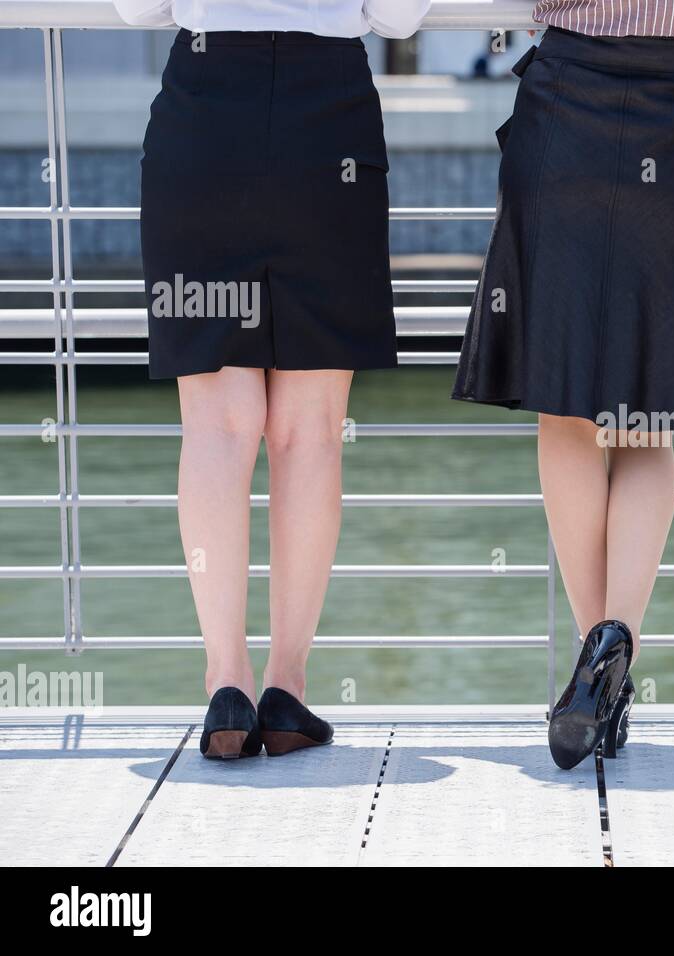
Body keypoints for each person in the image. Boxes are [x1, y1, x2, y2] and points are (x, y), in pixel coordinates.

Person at [112, 0, 432, 758]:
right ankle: (286, 688)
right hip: (328, 125)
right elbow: (398, 17)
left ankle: (228, 680)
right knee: (310, 431)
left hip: (203, 114)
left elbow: (135, 8)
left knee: (218, 427)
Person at [453, 1, 674, 769]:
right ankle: (604, 664)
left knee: (568, 412)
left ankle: (596, 668)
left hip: (566, 99)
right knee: (649, 421)